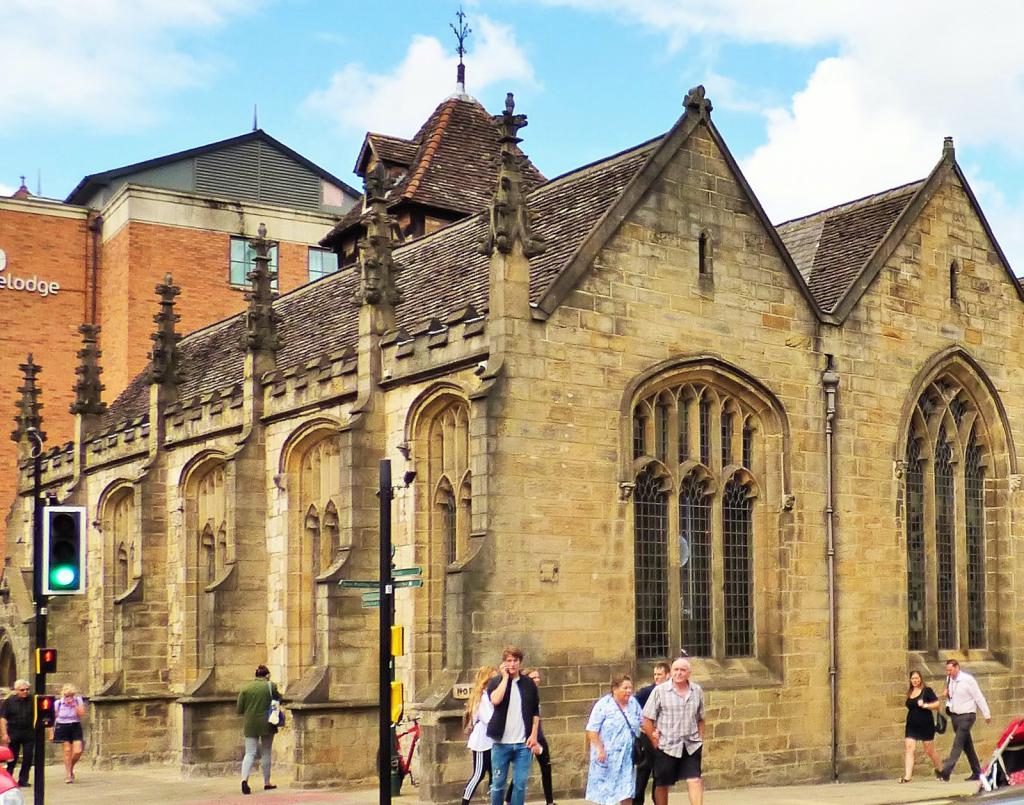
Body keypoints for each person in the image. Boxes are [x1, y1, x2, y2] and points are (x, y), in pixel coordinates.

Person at [641, 656, 705, 805]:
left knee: (695, 779)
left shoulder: (697, 691)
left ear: (689, 673)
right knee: (662, 784)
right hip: (667, 746)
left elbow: (701, 718)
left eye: (683, 670)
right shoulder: (660, 691)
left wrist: (700, 739)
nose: (679, 673)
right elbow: (647, 718)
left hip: (691, 745)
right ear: (671, 672)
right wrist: (654, 740)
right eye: (676, 669)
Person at [487, 646, 541, 805]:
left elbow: (535, 711)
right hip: (501, 743)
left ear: (520, 662)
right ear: (504, 663)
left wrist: (533, 735)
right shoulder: (496, 682)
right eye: (509, 660)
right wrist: (505, 678)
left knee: (520, 784)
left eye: (515, 660)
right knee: (497, 784)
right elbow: (495, 700)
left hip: (523, 743)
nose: (512, 664)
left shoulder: (528, 684)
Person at [585, 674, 643, 805]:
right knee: (605, 791)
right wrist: (600, 749)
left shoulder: (633, 703)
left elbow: (642, 722)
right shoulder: (603, 705)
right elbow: (592, 730)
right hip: (606, 756)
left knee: (627, 790)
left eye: (630, 688)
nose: (629, 691)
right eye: (625, 688)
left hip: (627, 757)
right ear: (614, 689)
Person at [505, 670, 554, 805]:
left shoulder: (535, 695)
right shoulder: (523, 696)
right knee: (520, 772)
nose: (537, 680)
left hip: (539, 737)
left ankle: (550, 802)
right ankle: (507, 800)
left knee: (546, 768)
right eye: (534, 677)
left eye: (538, 677)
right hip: (528, 738)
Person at [937, 658, 990, 782]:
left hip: (967, 715)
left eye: (950, 670)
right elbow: (952, 697)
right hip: (955, 715)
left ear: (957, 667)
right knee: (967, 746)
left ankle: (946, 772)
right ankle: (977, 771)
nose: (948, 672)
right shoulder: (949, 679)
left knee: (958, 743)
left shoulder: (968, 680)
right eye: (947, 670)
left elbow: (978, 697)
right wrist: (947, 695)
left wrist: (986, 714)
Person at [236, 664, 281, 795]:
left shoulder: (246, 688)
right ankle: (267, 782)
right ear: (267, 675)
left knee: (249, 753)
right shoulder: (270, 686)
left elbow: (239, 709)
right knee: (266, 752)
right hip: (268, 722)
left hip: (250, 724)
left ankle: (244, 780)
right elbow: (278, 699)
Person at [634, 662, 670, 805]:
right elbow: (632, 707)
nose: (656, 677)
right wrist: (640, 724)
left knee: (660, 773)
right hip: (648, 737)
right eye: (655, 674)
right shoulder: (646, 692)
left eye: (659, 674)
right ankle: (637, 801)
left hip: (664, 738)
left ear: (667, 675)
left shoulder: (671, 692)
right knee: (644, 769)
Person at [462, 665, 498, 805]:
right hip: (482, 740)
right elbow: (488, 718)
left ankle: (494, 800)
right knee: (478, 773)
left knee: (494, 775)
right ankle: (465, 802)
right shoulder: (482, 698)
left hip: (491, 740)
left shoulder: (488, 696)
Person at [900, 670, 942, 783]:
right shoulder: (910, 692)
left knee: (929, 751)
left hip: (926, 724)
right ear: (910, 680)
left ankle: (941, 770)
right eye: (913, 678)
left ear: (920, 679)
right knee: (909, 749)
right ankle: (907, 777)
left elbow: (937, 704)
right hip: (911, 725)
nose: (915, 680)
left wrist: (925, 705)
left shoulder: (927, 691)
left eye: (917, 678)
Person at [0, 680, 34, 787]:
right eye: (22, 690)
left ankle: (23, 779)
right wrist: (4, 734)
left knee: (28, 757)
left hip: (28, 732)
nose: (25, 692)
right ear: (16, 690)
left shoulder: (32, 700)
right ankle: (8, 778)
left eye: (27, 689)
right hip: (14, 732)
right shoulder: (9, 702)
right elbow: (3, 719)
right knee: (12, 757)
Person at [52, 683, 86, 784]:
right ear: (63, 695)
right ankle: (68, 774)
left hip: (75, 725)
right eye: (67, 696)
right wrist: (51, 731)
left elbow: (81, 714)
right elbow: (53, 717)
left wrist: (74, 705)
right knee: (67, 750)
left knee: (78, 751)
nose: (69, 698)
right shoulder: (58, 703)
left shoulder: (78, 700)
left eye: (71, 695)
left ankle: (70, 767)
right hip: (62, 726)